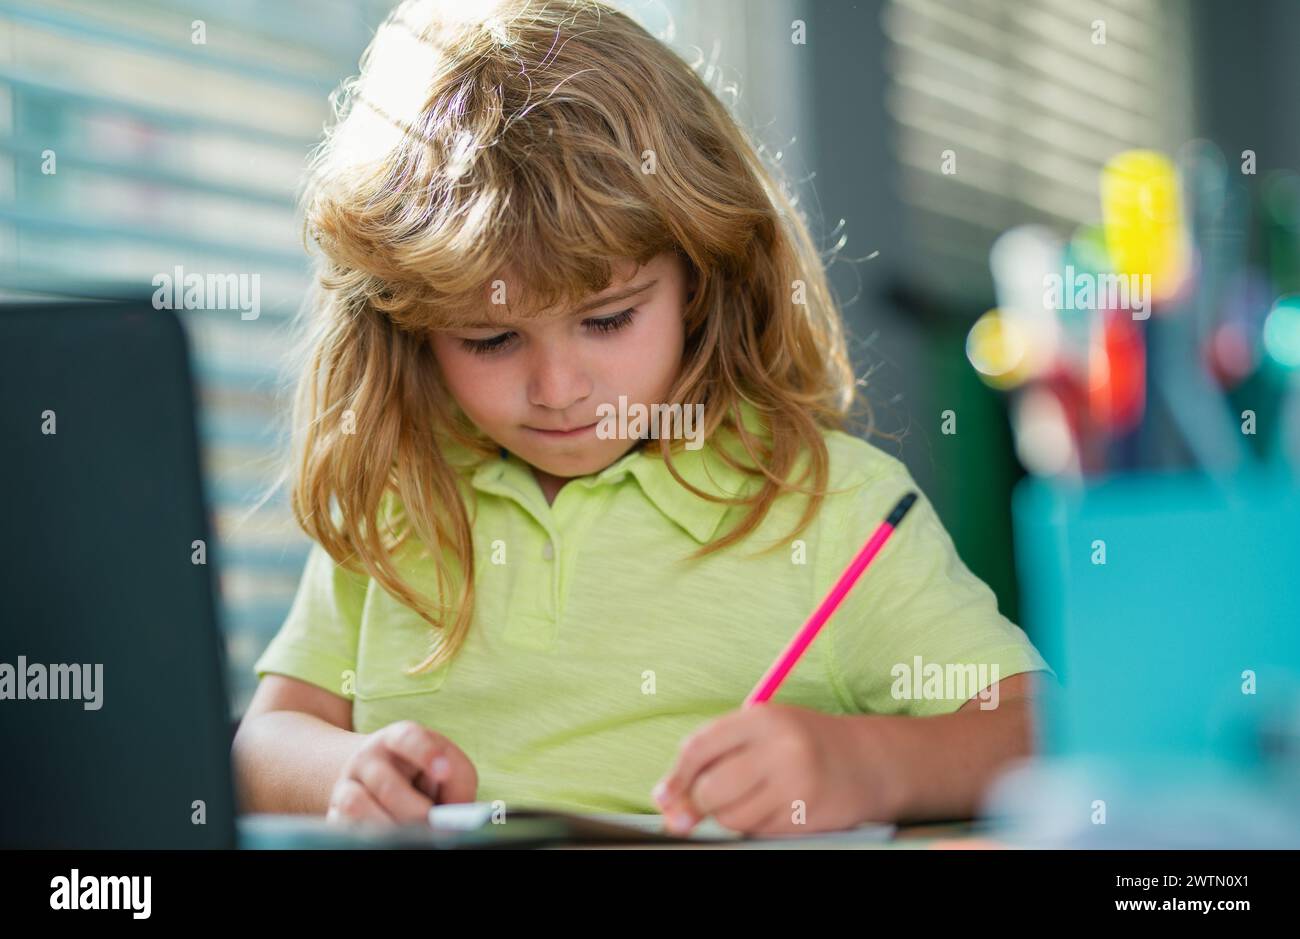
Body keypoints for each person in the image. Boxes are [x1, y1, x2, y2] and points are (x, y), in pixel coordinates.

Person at [232, 0, 1052, 836]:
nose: (557, 388)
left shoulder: (829, 509)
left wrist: (864, 765)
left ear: (700, 277)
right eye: (490, 338)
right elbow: (262, 745)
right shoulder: (398, 503)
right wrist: (347, 773)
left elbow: (1034, 731)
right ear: (407, 325)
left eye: (609, 320)